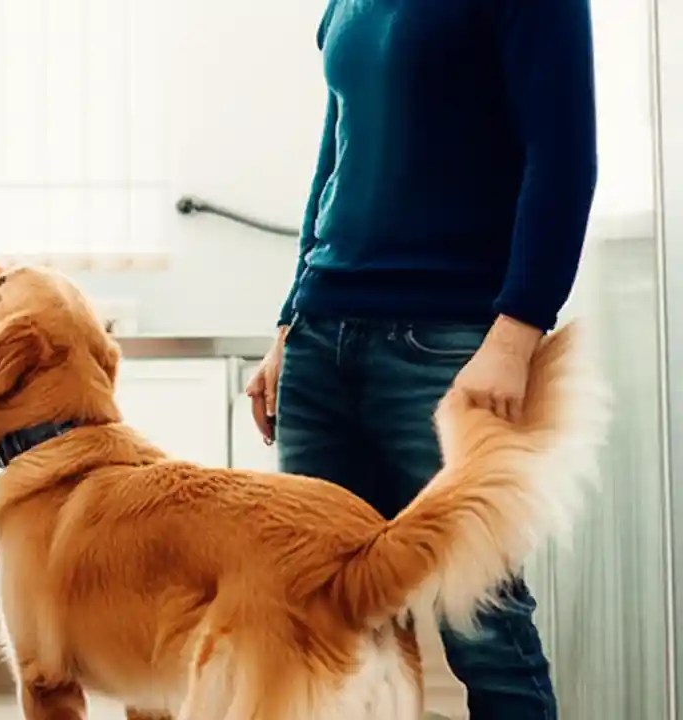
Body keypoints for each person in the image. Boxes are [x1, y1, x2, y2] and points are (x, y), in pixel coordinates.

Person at [246, 1, 597, 718]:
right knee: (326, 620)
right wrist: (289, 321)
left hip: (445, 347)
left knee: (483, 625)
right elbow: (335, 157)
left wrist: (515, 335)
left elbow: (564, 159)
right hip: (322, 339)